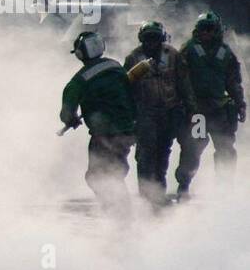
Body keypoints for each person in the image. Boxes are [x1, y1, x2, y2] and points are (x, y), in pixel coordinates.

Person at [60, 31, 136, 215]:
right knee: (115, 172)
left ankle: (118, 215)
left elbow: (66, 114)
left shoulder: (78, 81)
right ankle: (123, 215)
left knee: (97, 177)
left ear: (79, 54)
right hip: (128, 132)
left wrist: (72, 120)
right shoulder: (116, 67)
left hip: (104, 135)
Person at [123, 21, 195, 207]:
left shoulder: (173, 55)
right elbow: (126, 89)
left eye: (155, 38)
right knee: (145, 156)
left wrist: (191, 108)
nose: (151, 42)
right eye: (148, 38)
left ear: (161, 38)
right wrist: (129, 117)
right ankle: (146, 197)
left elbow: (184, 83)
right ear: (142, 39)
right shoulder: (133, 58)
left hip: (169, 113)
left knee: (163, 154)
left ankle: (159, 194)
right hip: (145, 114)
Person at [175, 11, 245, 196]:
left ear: (217, 30)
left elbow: (233, 82)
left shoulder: (225, 52)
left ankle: (225, 187)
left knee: (226, 148)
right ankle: (184, 184)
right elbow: (179, 79)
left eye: (210, 29)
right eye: (203, 29)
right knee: (193, 149)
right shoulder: (188, 50)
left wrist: (240, 104)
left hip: (219, 109)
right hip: (197, 111)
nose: (206, 33)